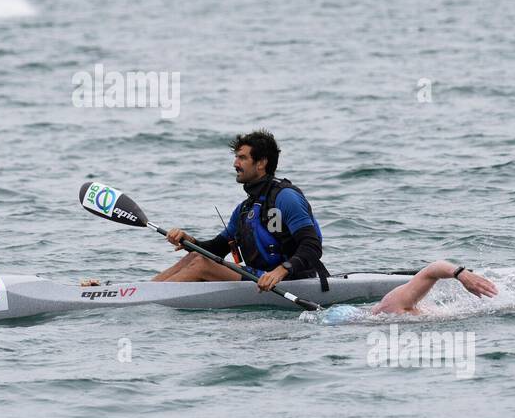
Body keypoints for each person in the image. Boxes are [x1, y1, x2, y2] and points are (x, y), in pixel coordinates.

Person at [153, 129, 497, 314]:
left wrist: (281, 271)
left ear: (263, 163)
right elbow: (215, 248)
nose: (235, 164)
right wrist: (184, 237)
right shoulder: (245, 208)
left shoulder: (286, 198)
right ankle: (133, 291)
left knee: (199, 263)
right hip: (256, 280)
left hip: (296, 281)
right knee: (193, 255)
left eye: (242, 158)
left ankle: (137, 297)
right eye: (236, 158)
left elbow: (311, 245)